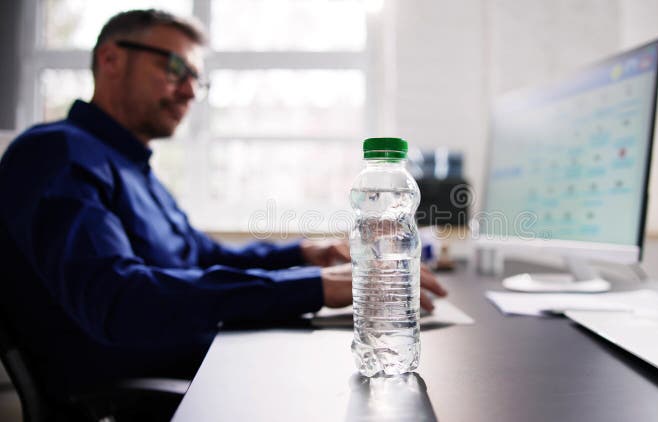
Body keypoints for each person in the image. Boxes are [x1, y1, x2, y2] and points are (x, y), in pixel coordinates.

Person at [0, 8, 446, 415]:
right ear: (112, 59)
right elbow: (118, 299)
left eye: (196, 77)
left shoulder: (133, 166)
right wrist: (311, 288)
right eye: (175, 68)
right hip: (120, 395)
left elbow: (204, 255)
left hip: (186, 362)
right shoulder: (56, 155)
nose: (190, 90)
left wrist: (304, 255)